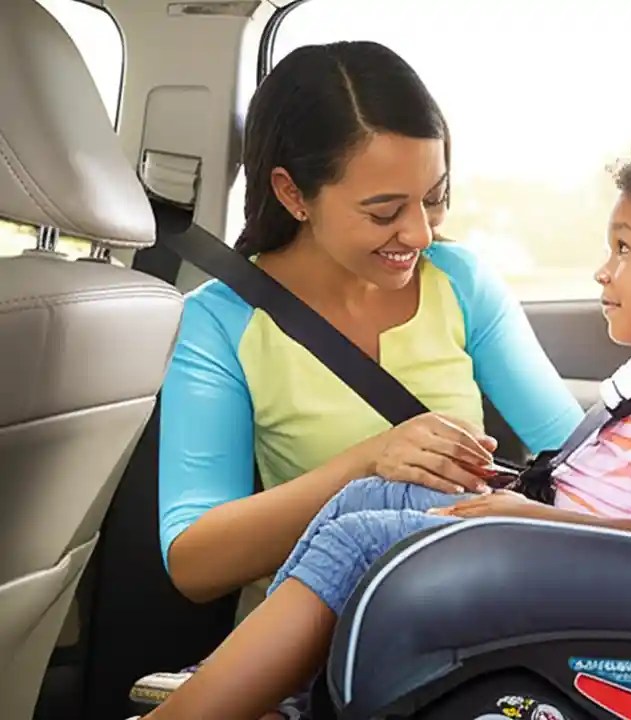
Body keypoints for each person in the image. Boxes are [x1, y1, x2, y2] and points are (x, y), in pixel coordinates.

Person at [138, 146, 631, 720]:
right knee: (365, 499)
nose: (603, 273)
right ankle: (259, 683)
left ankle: (223, 702)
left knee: (360, 542)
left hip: (579, 563)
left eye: (624, 250)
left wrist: (537, 517)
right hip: (553, 533)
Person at [156, 39, 584, 669]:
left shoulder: (459, 281)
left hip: (468, 626)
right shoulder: (218, 321)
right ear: (293, 193)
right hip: (312, 651)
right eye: (385, 211)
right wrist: (368, 464)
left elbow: (580, 462)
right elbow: (194, 561)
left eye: (433, 198)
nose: (420, 233)